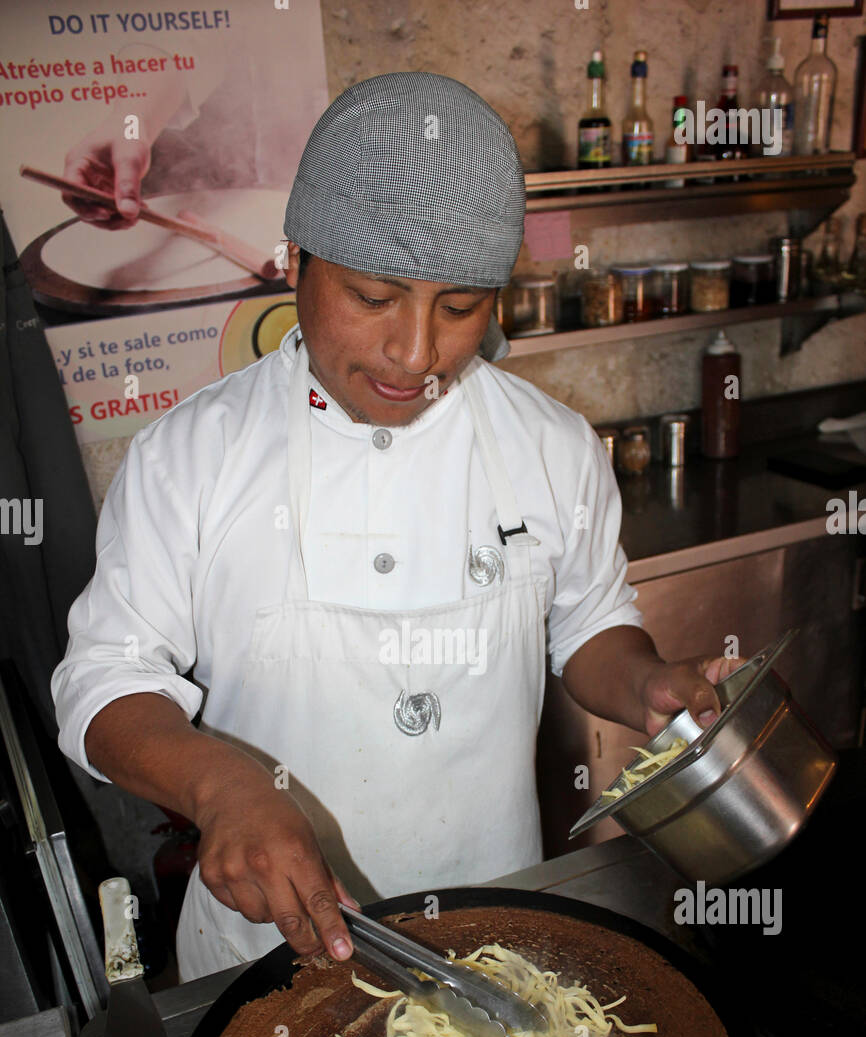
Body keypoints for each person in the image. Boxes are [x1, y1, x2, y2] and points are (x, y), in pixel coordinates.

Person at [52, 72, 739, 982]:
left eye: (459, 309)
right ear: (295, 261)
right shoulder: (191, 455)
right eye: (374, 297)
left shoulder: (551, 443)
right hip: (275, 952)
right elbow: (103, 682)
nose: (416, 354)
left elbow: (586, 626)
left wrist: (645, 680)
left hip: (496, 938)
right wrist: (221, 786)